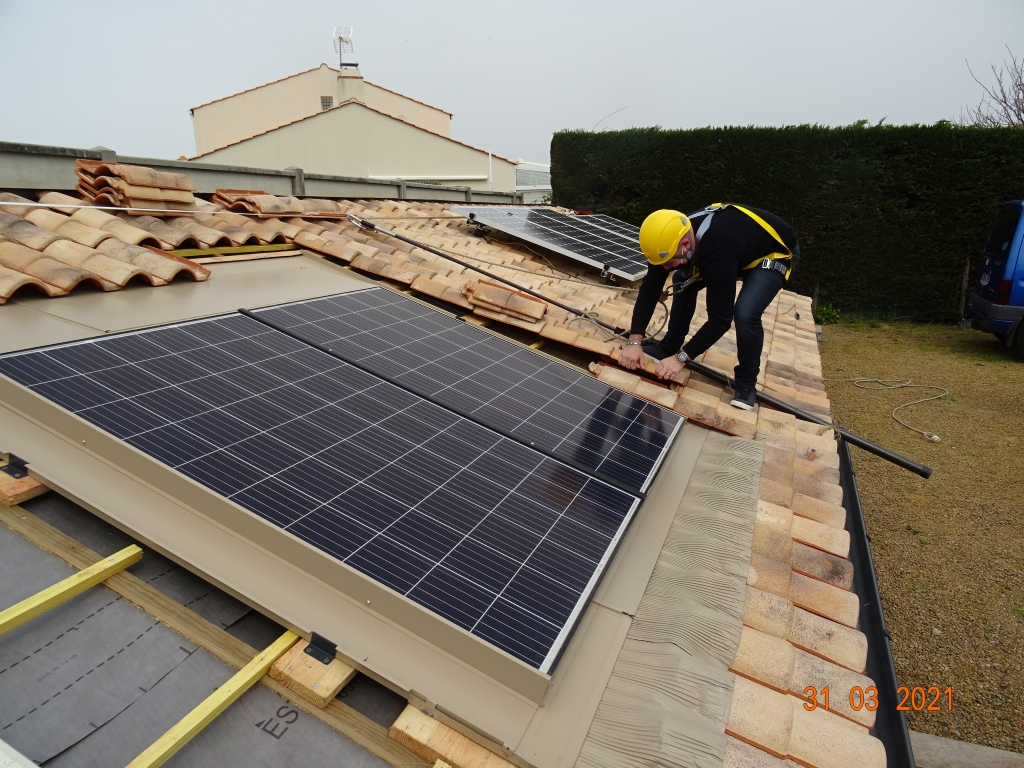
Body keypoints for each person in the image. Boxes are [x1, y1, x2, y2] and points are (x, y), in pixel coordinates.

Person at [618, 204, 799, 410]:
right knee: (680, 276)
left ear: (685, 244)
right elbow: (650, 289)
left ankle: (747, 386)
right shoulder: (666, 241)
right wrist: (634, 342)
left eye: (668, 262)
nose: (664, 268)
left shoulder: (718, 249)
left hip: (774, 252)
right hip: (739, 246)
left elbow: (720, 320)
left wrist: (681, 359)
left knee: (745, 313)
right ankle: (668, 346)